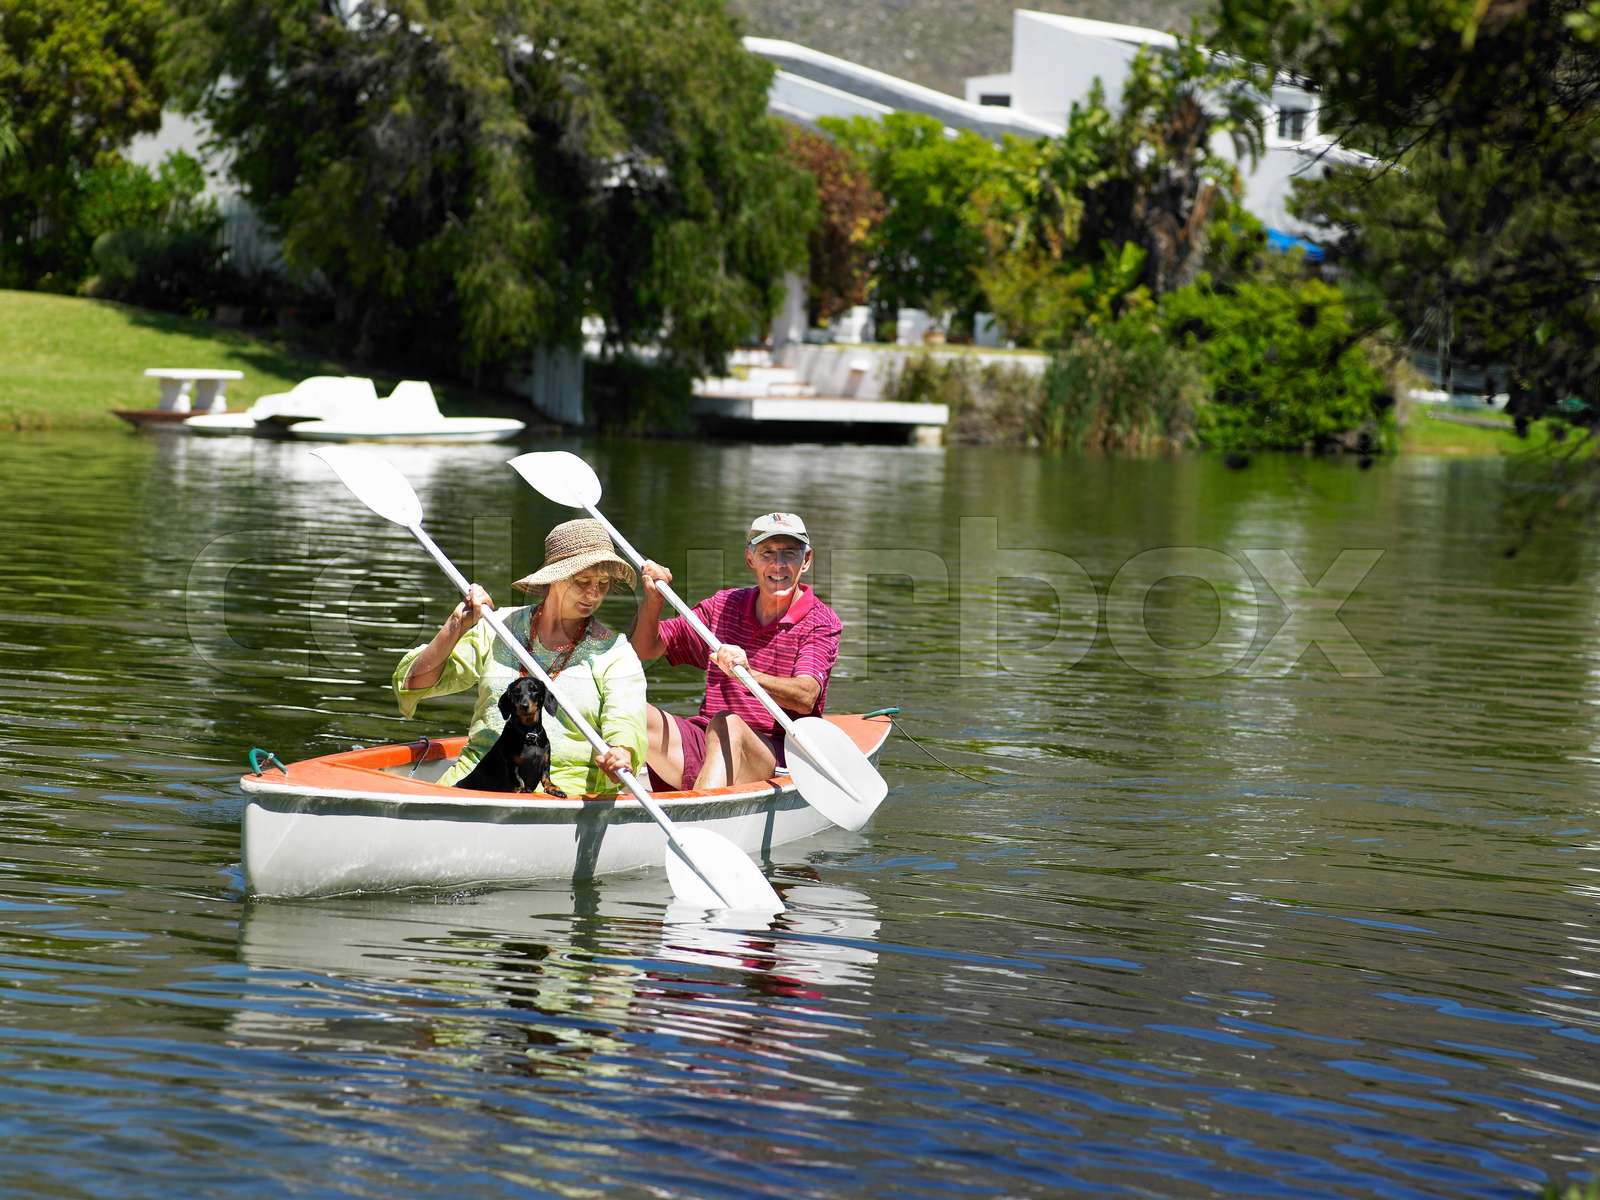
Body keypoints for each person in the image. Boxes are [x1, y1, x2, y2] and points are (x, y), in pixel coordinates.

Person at [393, 518, 647, 794]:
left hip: (561, 789)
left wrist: (620, 752)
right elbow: (414, 684)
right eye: (582, 580)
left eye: (604, 583)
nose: (593, 593)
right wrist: (456, 625)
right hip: (477, 777)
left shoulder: (615, 651)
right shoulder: (499, 627)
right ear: (554, 579)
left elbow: (625, 719)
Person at [632, 512, 842, 791]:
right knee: (628, 709)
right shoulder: (723, 605)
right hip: (706, 741)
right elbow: (645, 649)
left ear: (806, 560)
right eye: (767, 552)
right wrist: (654, 600)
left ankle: (699, 816)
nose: (778, 564)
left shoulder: (821, 621)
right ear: (750, 559)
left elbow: (806, 696)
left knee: (729, 725)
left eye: (789, 553)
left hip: (774, 757)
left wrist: (750, 675)